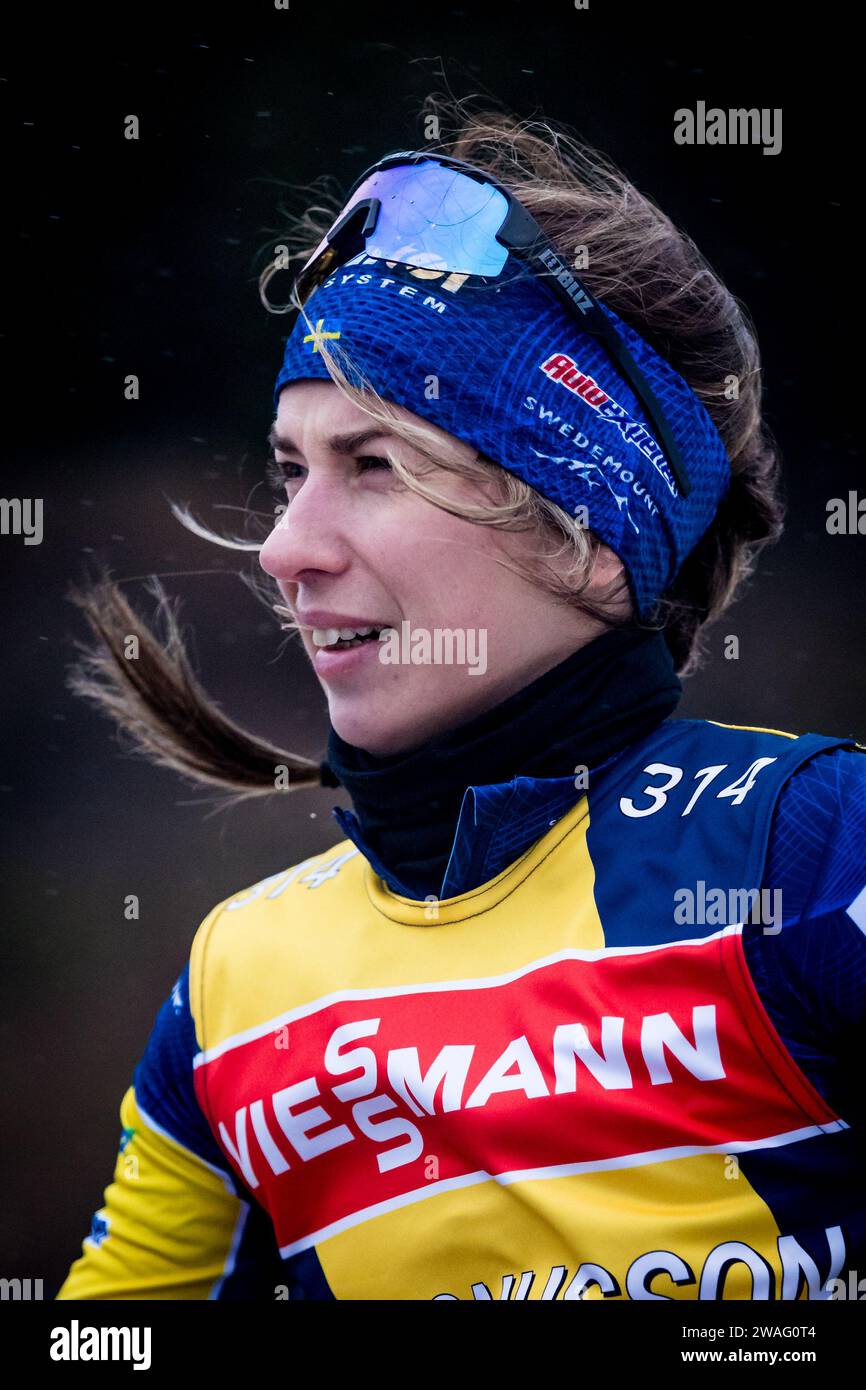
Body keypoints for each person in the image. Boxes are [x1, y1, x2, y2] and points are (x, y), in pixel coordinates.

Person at [57, 103, 865, 1302]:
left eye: (373, 464)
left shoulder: (810, 846)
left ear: (589, 536)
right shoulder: (232, 979)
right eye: (289, 468)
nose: (283, 547)